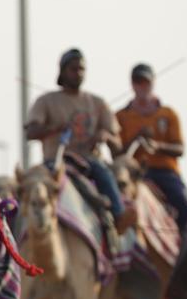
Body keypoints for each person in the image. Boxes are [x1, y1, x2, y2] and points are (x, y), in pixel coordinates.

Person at [25, 48, 126, 223]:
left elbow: (118, 147)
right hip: (56, 162)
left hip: (90, 162)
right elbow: (30, 132)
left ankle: (119, 218)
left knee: (105, 175)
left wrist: (106, 136)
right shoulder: (46, 101)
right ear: (63, 71)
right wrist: (56, 128)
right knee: (30, 186)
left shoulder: (97, 103)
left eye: (82, 69)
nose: (78, 73)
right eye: (73, 69)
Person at [116, 63, 187, 231]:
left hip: (165, 172)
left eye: (146, 82)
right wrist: (136, 138)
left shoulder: (168, 114)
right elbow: (117, 153)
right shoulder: (121, 116)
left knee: (184, 207)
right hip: (132, 174)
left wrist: (157, 146)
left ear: (152, 83)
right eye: (138, 82)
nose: (142, 86)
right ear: (132, 84)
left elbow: (180, 149)